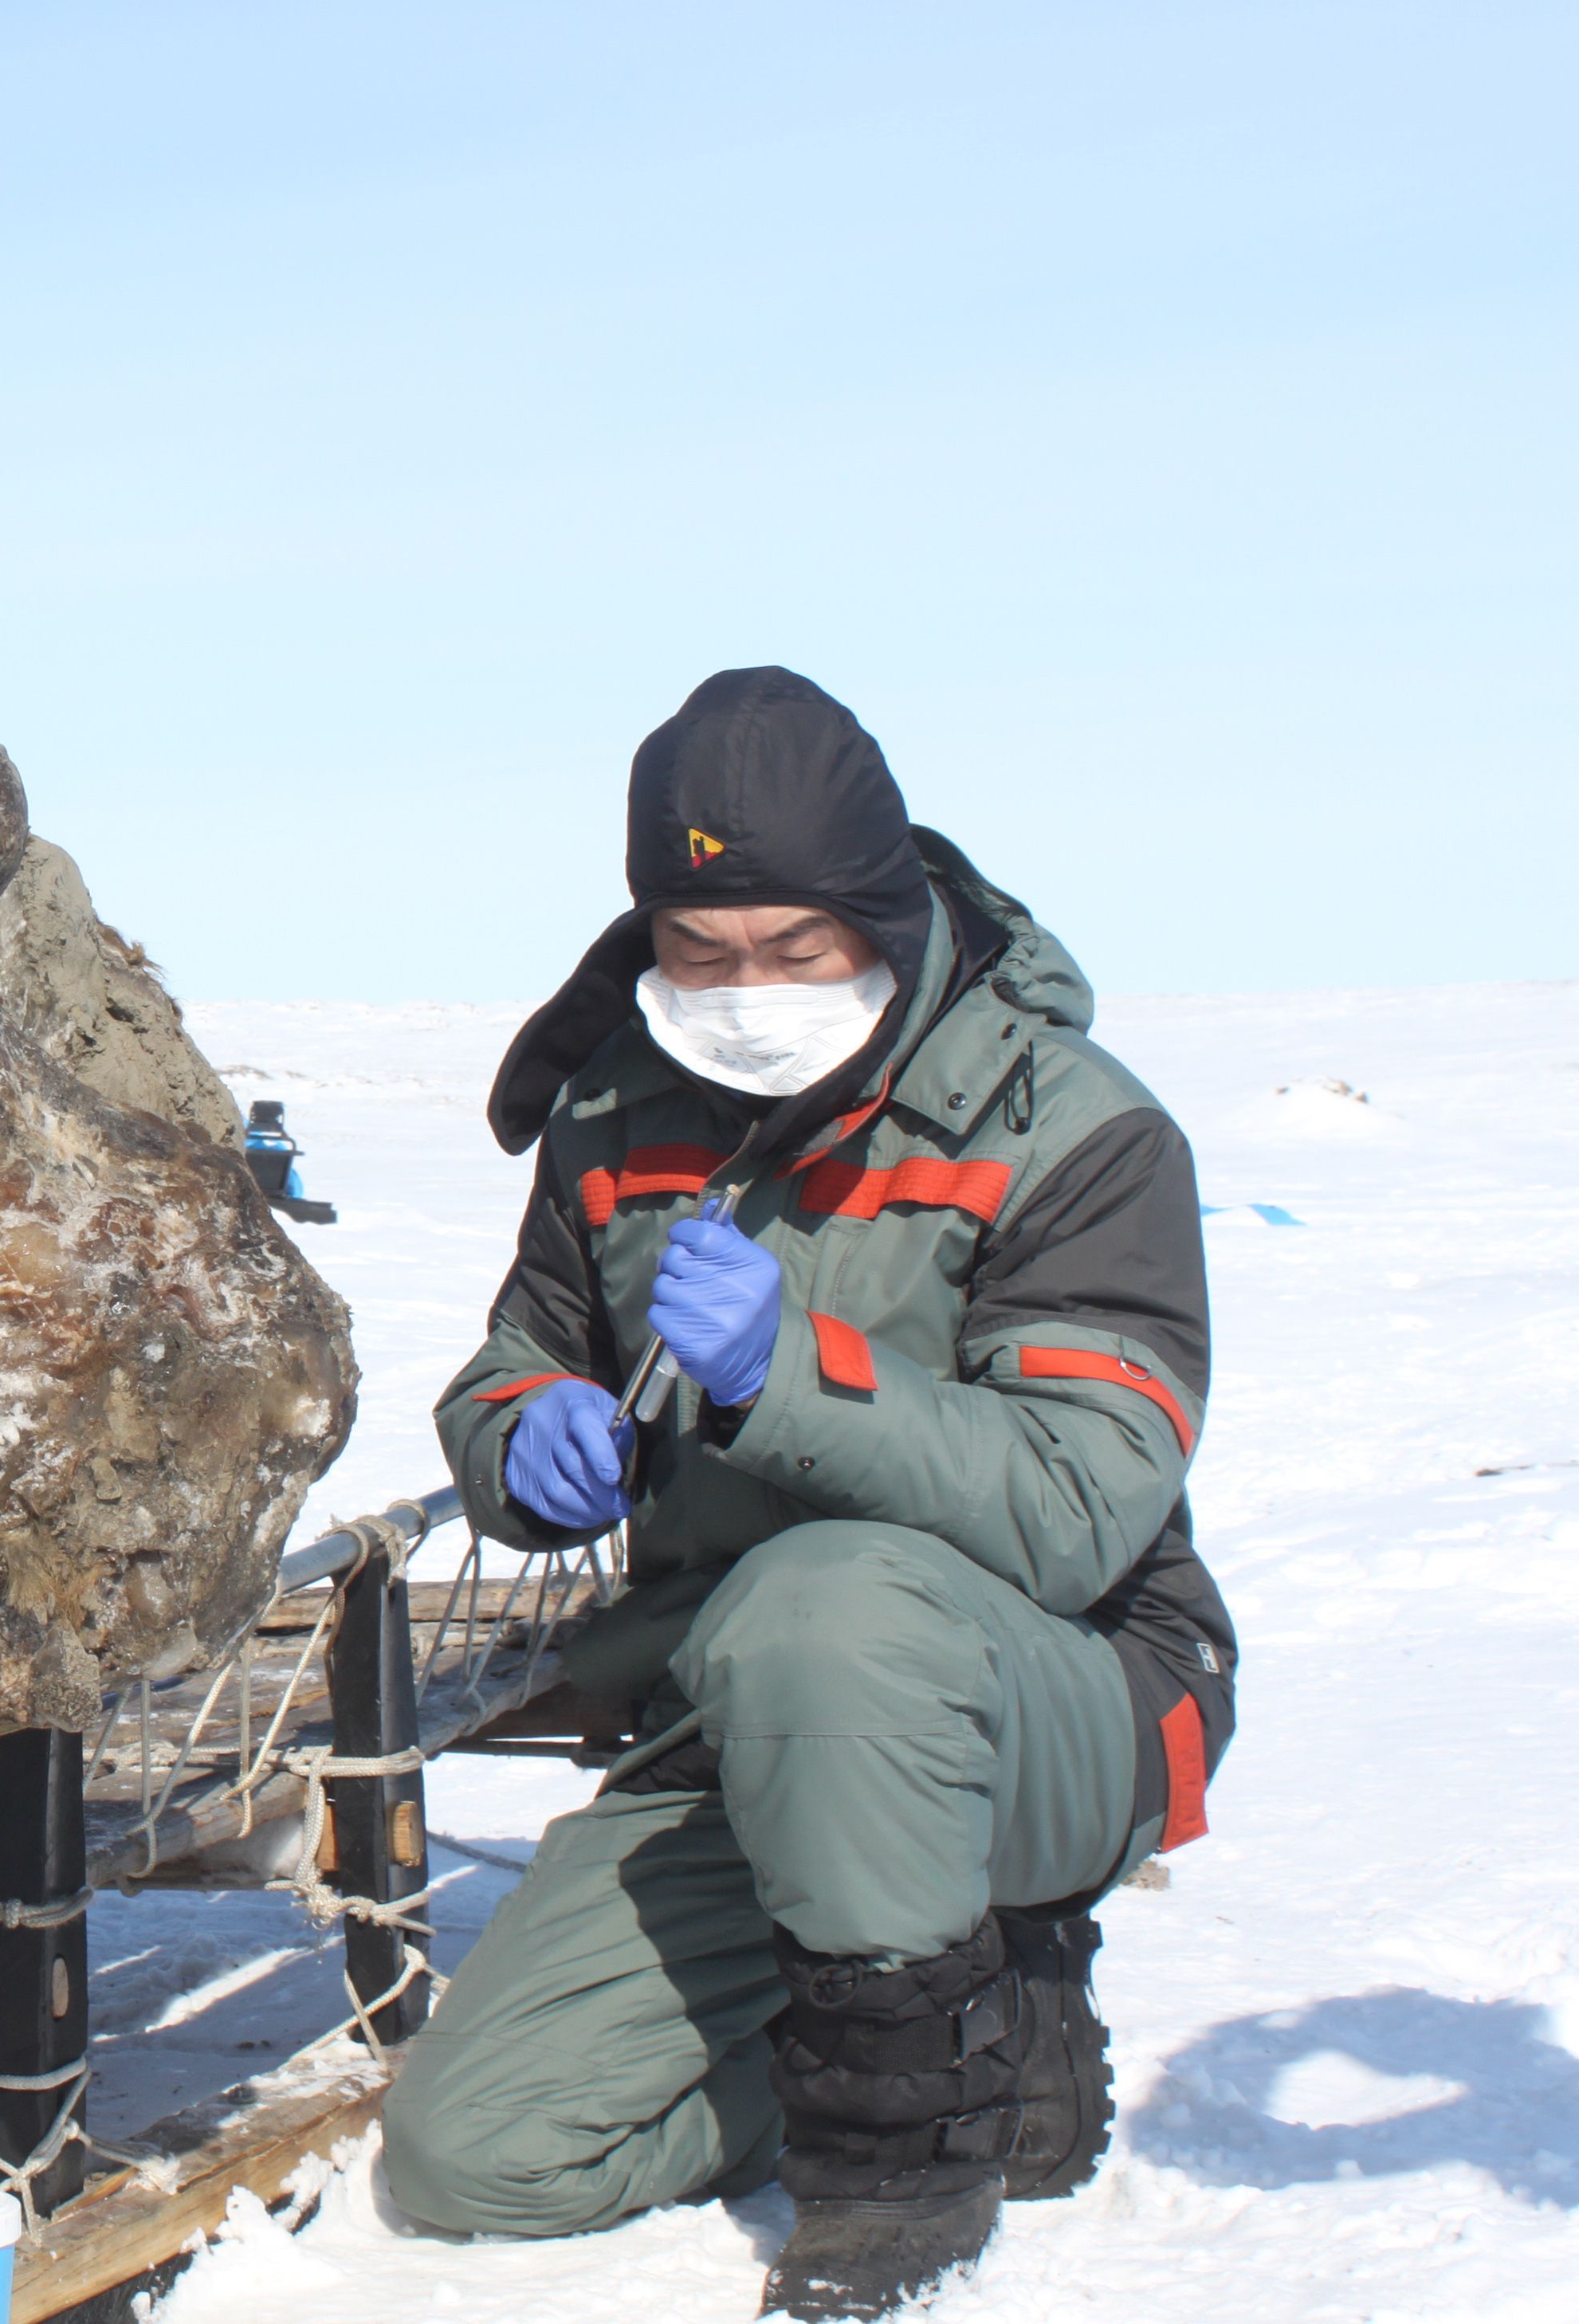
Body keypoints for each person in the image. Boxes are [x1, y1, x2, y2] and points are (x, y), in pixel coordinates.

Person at [378, 669, 1236, 2319]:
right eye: (701, 956)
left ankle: (904, 2166)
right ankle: (974, 2007)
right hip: (733, 1715)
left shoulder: (1077, 1134)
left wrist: (796, 1378)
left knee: (824, 1599)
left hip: (1057, 1710)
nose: (746, 991)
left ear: (885, 917)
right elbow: (510, 1362)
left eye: (794, 951)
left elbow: (1078, 1504)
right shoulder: (617, 1121)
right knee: (479, 2159)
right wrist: (523, 1438)